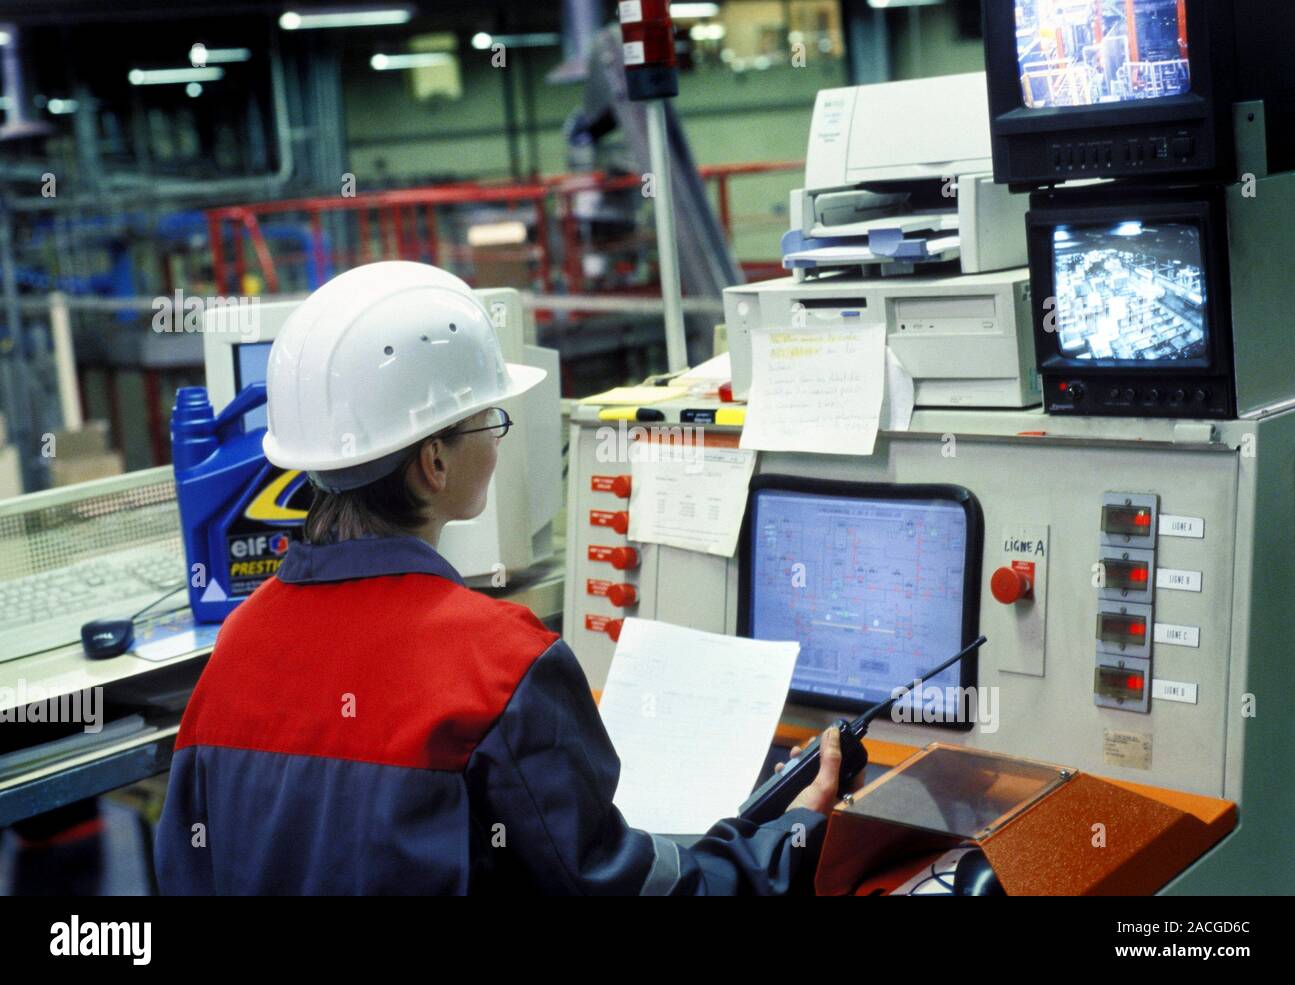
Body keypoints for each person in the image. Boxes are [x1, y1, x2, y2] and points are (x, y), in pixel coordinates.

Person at [155, 261, 844, 895]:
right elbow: (613, 885)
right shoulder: (499, 662)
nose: (497, 432)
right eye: (489, 417)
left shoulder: (237, 645)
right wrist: (784, 844)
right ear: (434, 463)